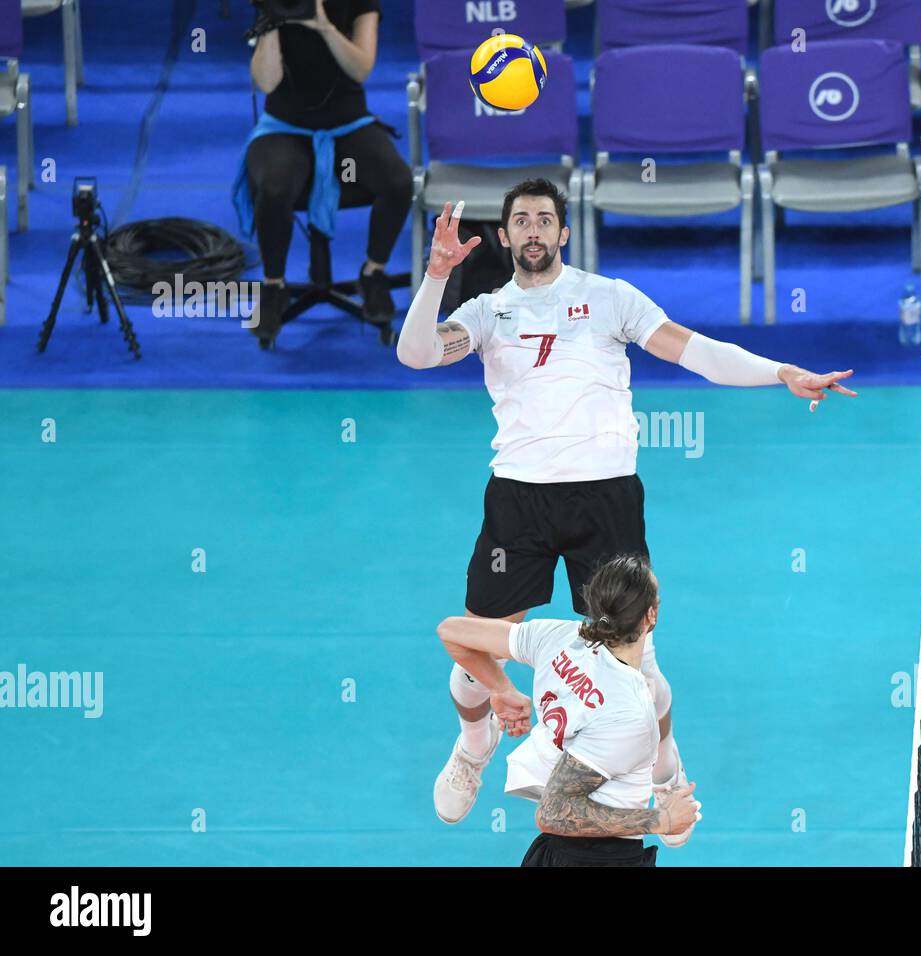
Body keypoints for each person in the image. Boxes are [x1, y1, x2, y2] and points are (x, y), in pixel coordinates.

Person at [398, 178, 856, 846]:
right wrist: (437, 276)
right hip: (517, 498)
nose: (532, 231)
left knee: (637, 666)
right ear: (503, 238)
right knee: (471, 658)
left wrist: (779, 371)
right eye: (520, 221)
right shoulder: (487, 312)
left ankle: (664, 775)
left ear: (562, 234)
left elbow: (696, 351)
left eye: (544, 220)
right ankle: (473, 746)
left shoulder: (608, 298)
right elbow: (416, 353)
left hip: (604, 499)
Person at [436, 554, 701, 867]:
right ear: (651, 616)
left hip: (551, 854)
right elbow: (553, 812)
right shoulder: (632, 712)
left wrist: (500, 687)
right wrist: (661, 820)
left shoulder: (558, 637)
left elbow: (451, 630)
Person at [236, 0, 410, 344]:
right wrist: (271, 23)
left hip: (350, 124)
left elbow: (361, 69)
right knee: (274, 189)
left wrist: (324, 26)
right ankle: (274, 286)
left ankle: (373, 272)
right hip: (284, 126)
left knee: (398, 182)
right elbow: (267, 83)